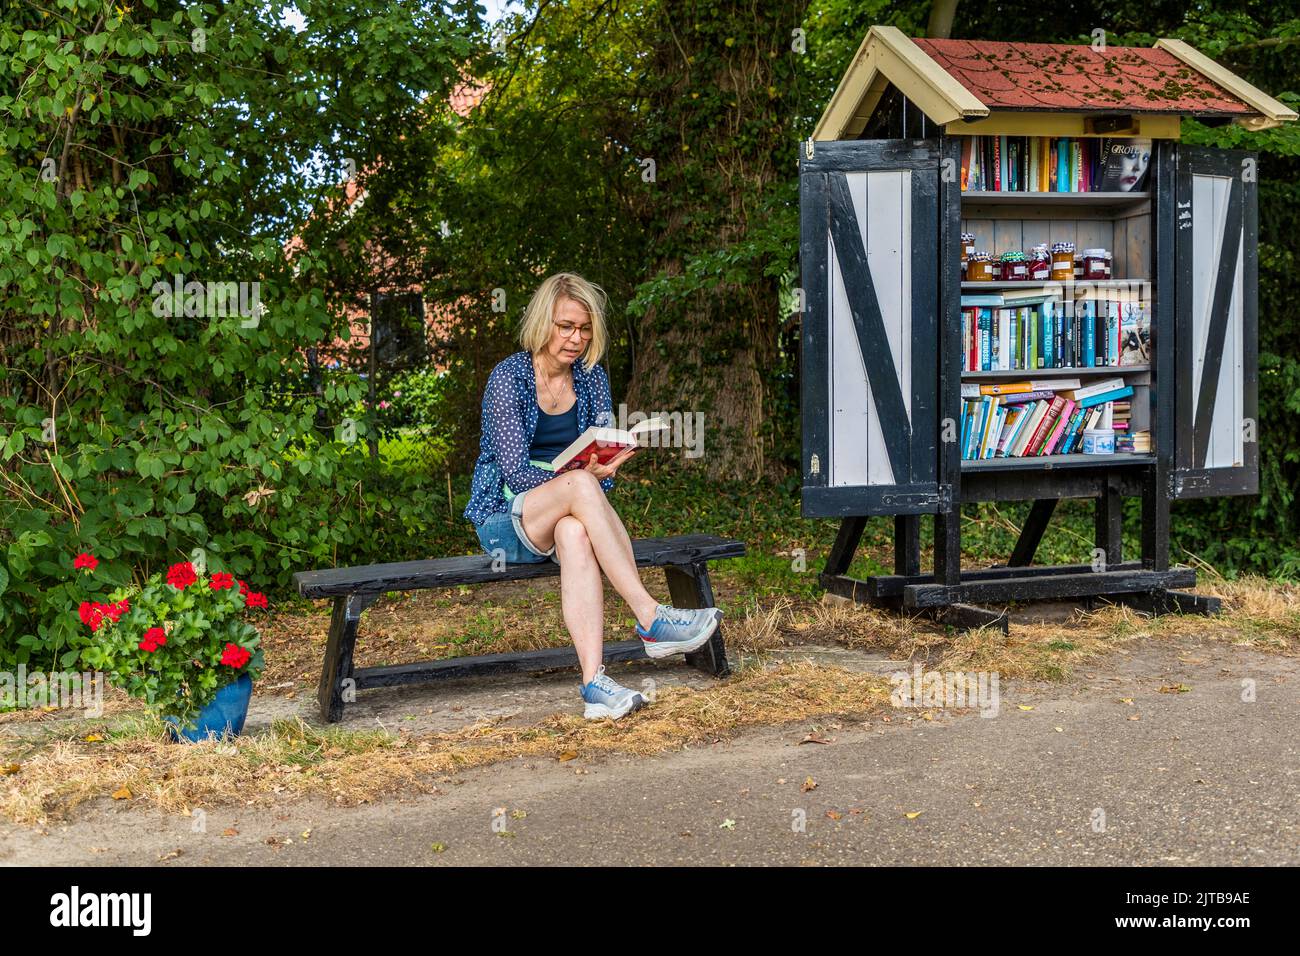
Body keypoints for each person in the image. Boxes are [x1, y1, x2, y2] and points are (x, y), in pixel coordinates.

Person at [463, 272, 721, 720]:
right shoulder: (508, 378)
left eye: (584, 329)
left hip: (564, 513)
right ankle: (650, 616)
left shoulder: (591, 377)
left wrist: (605, 466)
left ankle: (594, 685)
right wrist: (579, 479)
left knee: (575, 532)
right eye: (565, 326)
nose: (576, 338)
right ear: (542, 323)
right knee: (580, 486)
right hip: (506, 519)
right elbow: (516, 474)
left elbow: (597, 459)